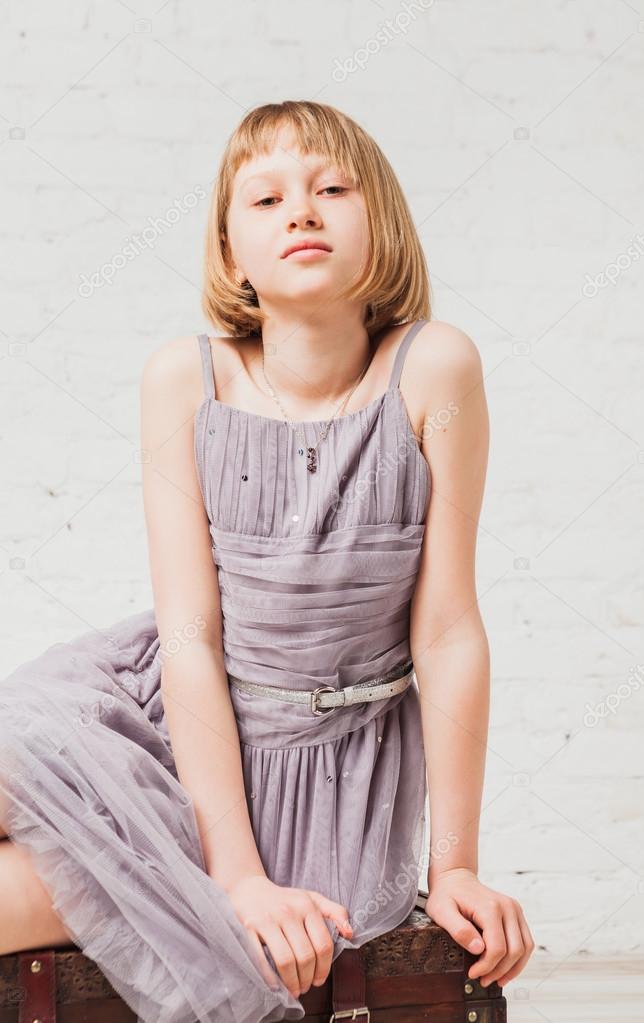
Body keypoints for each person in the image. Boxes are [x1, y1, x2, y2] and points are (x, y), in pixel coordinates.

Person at [0, 100, 534, 1023]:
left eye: (332, 187)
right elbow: (191, 638)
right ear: (228, 250)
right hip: (157, 713)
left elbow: (447, 632)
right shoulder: (185, 378)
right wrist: (234, 878)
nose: (302, 210)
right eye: (267, 197)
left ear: (385, 225)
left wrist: (454, 865)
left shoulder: (432, 368)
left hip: (318, 795)